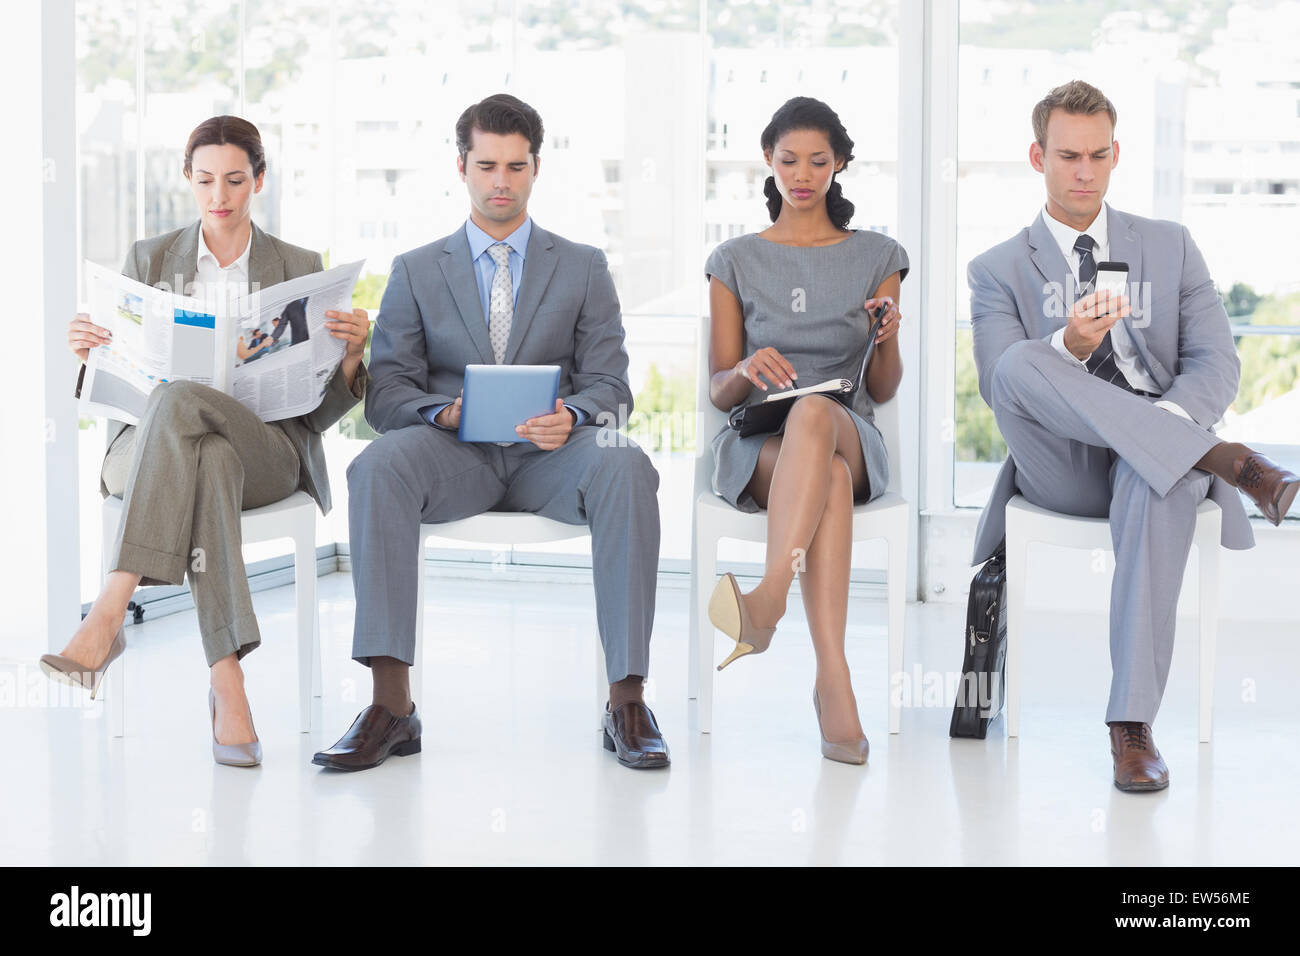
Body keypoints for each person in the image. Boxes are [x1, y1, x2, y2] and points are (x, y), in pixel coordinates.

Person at [312, 93, 669, 772]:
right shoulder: (417, 270)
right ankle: (391, 706)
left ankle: (627, 701)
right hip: (455, 456)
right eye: (486, 165)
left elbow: (614, 388)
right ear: (462, 167)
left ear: (536, 168)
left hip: (554, 458)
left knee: (626, 461)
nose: (500, 181)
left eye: (514, 165)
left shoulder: (583, 265)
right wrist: (439, 413)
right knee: (376, 465)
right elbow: (385, 395)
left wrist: (576, 416)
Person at [967, 80, 1298, 792]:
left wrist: (1168, 430)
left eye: (1098, 155)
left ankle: (1131, 729)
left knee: (1162, 475)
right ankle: (1229, 462)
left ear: (1116, 155)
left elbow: (1217, 361)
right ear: (1038, 157)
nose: (1084, 171)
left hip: (1159, 454)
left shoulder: (1171, 246)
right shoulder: (996, 269)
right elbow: (1004, 386)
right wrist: (1070, 345)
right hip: (1064, 465)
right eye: (1067, 156)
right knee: (1025, 359)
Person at [46, 116, 371, 767]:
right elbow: (112, 383)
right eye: (203, 180)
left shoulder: (299, 267)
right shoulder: (151, 258)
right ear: (187, 180)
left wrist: (350, 359)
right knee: (201, 444)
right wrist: (86, 352)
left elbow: (320, 412)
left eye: (233, 180)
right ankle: (229, 683)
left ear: (259, 180)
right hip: (152, 447)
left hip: (270, 453)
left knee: (186, 406)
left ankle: (111, 607)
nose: (218, 196)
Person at [703, 96, 908, 765]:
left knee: (817, 414)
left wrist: (889, 339)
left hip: (847, 423)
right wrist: (745, 369)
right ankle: (834, 681)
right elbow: (718, 389)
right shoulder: (733, 259)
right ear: (768, 160)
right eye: (789, 159)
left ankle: (767, 599)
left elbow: (881, 388)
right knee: (830, 476)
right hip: (762, 444)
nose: (802, 173)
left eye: (818, 160)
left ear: (839, 165)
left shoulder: (878, 254)